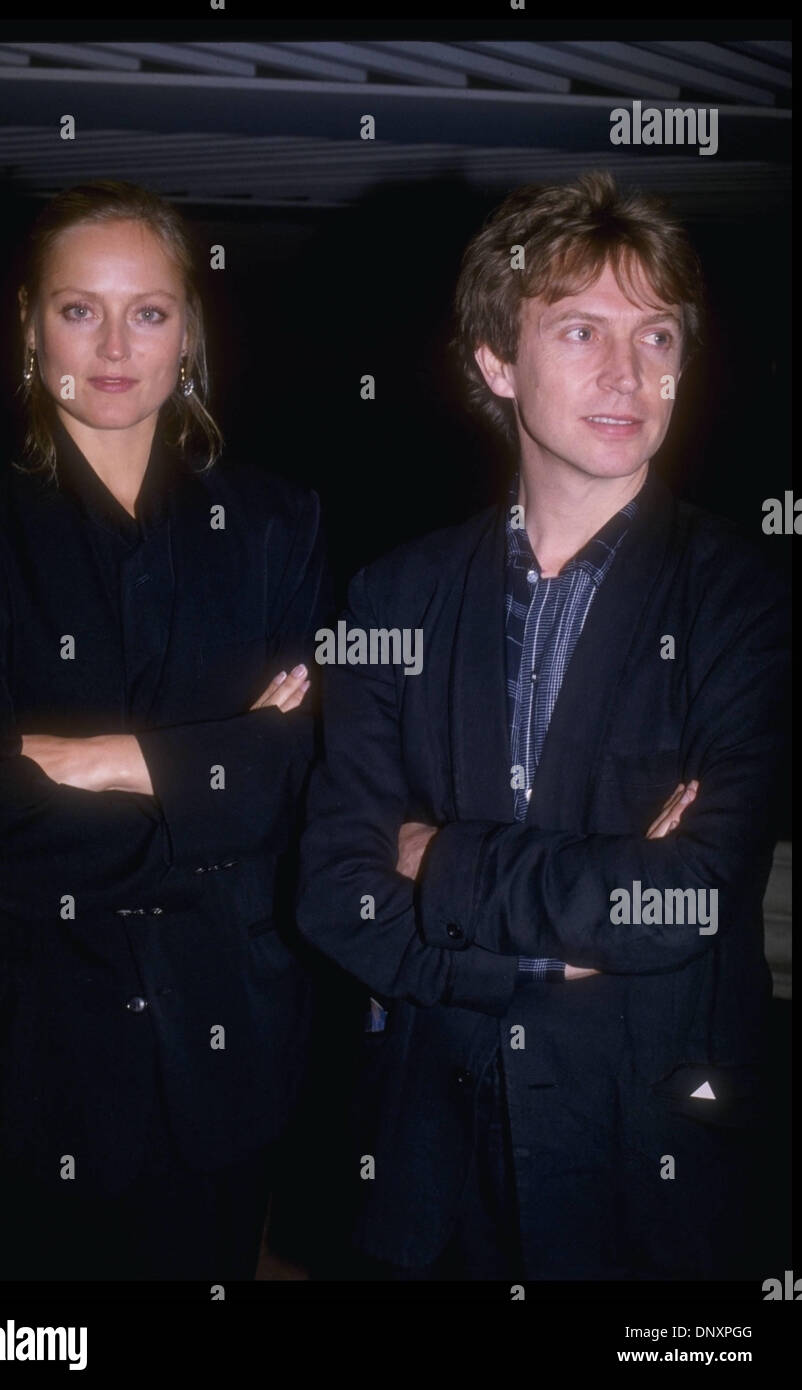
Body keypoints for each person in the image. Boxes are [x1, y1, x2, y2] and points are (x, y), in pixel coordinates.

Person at [296, 171, 789, 1281]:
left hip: (649, 1169)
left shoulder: (744, 602)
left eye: (655, 336)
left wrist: (440, 863)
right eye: (579, 331)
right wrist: (552, 948)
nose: (627, 373)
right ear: (493, 361)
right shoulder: (391, 597)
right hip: (428, 1173)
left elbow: (686, 898)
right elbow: (337, 896)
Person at [0, 180, 329, 1280]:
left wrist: (102, 763)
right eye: (80, 309)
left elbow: (308, 774)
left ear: (189, 336)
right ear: (30, 326)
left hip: (236, 1036)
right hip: (32, 1045)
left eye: (149, 311)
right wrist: (219, 779)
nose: (115, 344)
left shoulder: (276, 522)